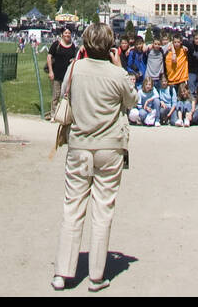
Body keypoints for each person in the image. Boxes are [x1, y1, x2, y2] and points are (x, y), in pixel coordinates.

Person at [52, 23, 136, 292]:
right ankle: (96, 276)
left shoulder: (75, 69)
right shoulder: (116, 74)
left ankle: (62, 273)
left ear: (84, 44)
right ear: (110, 45)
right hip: (109, 148)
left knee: (72, 209)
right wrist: (119, 66)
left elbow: (65, 91)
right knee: (103, 210)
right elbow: (132, 101)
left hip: (79, 146)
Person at [46, 27, 77, 121]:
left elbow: (74, 58)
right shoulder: (57, 44)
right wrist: (51, 71)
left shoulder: (72, 46)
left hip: (68, 75)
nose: (67, 35)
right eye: (66, 33)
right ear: (62, 34)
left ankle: (65, 114)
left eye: (69, 33)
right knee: (56, 95)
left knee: (67, 95)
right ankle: (53, 114)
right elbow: (49, 57)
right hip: (57, 73)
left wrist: (73, 60)